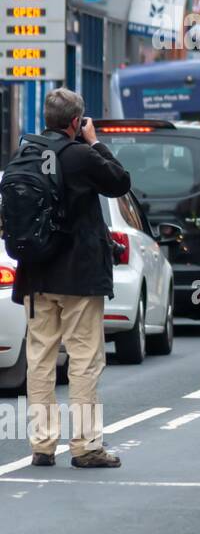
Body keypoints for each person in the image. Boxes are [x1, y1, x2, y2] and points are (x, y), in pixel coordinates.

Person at [11, 89, 132, 468]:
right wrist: (95, 143)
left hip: (36, 274)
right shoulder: (80, 155)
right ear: (76, 122)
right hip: (78, 275)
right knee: (83, 359)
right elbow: (120, 182)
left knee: (41, 360)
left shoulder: (25, 154)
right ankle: (85, 445)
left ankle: (42, 445)